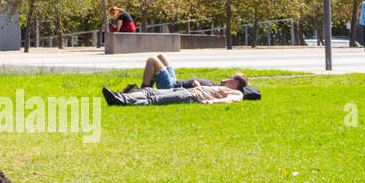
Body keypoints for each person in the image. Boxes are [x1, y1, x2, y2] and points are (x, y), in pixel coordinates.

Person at [103, 73, 253, 107]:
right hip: (187, 90)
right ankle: (119, 96)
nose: (228, 79)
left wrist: (213, 101)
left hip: (192, 96)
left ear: (237, 83)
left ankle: (122, 101)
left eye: (232, 78)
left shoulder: (237, 93)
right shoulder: (220, 86)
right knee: (150, 92)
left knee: (155, 100)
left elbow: (230, 100)